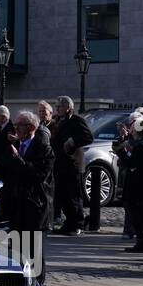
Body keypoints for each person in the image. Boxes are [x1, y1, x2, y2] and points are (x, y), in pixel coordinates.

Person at [0, 110, 53, 284]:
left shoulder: (43, 147)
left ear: (31, 127)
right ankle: (22, 285)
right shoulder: (16, 145)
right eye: (15, 125)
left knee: (34, 253)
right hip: (16, 206)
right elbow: (7, 173)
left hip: (34, 207)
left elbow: (37, 176)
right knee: (18, 251)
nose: (15, 128)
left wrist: (18, 159)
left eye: (19, 125)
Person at [116, 111, 143, 253]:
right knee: (140, 213)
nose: (131, 131)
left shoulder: (141, 146)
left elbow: (131, 163)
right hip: (141, 183)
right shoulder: (142, 144)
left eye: (133, 128)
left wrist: (120, 152)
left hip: (142, 185)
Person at [50, 96, 93, 235]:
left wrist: (73, 141)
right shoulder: (58, 121)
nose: (57, 109)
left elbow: (88, 137)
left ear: (68, 108)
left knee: (73, 194)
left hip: (72, 162)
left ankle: (77, 224)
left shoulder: (76, 120)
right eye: (56, 107)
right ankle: (68, 223)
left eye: (60, 107)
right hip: (59, 162)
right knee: (62, 195)